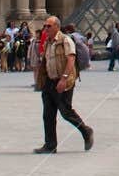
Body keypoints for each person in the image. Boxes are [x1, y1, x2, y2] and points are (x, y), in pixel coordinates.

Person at [35, 16, 94, 153]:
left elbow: (71, 59)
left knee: (66, 112)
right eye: (45, 26)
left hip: (63, 81)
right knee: (48, 114)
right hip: (49, 81)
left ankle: (86, 131)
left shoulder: (65, 40)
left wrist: (64, 78)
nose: (46, 29)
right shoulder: (48, 42)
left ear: (57, 26)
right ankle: (50, 145)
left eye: (49, 26)